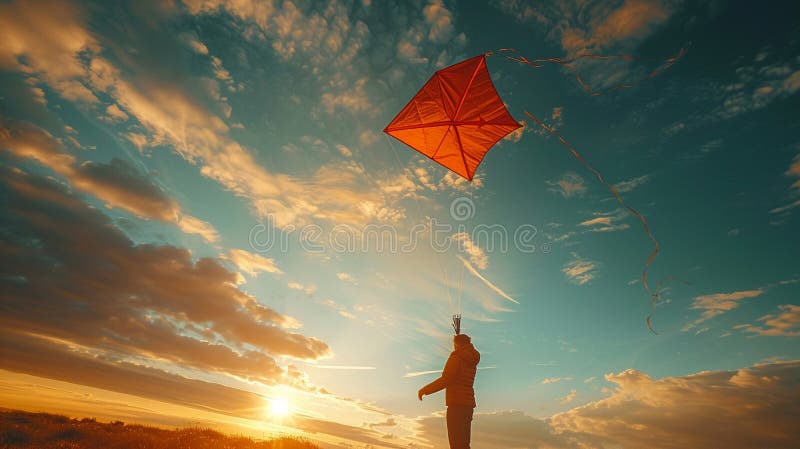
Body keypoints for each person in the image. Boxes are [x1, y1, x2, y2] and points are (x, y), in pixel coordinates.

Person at [417, 333, 480, 449]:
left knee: (456, 444)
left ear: (457, 344)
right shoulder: (471, 359)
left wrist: (425, 390)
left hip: (456, 405)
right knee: (464, 444)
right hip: (468, 406)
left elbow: (446, 380)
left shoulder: (456, 358)